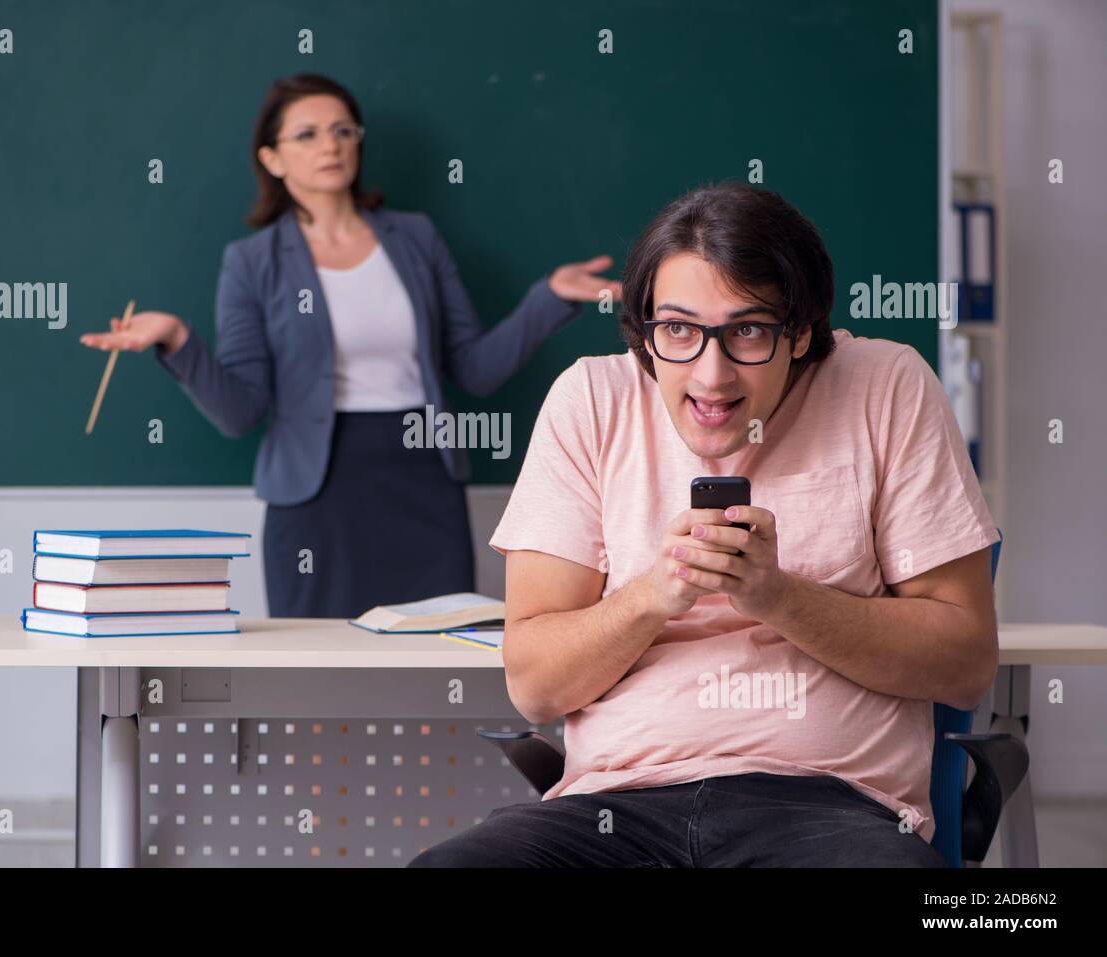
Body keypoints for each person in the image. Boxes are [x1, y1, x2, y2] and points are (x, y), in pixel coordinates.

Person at [409, 182, 1000, 867]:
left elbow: (965, 661)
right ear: (647, 333)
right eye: (680, 331)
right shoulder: (589, 400)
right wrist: (656, 592)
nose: (710, 376)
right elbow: (535, 683)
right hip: (613, 805)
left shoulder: (886, 386)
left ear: (799, 330)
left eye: (747, 330)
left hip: (827, 808)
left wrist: (779, 597)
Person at [79, 73, 619, 617]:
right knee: (317, 681)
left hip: (422, 478)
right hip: (317, 495)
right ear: (272, 159)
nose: (331, 145)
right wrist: (177, 340)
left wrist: (547, 299)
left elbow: (476, 369)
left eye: (343, 130)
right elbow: (240, 413)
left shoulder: (415, 238)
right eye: (308, 134)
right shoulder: (252, 261)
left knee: (432, 667)